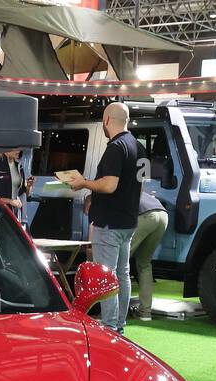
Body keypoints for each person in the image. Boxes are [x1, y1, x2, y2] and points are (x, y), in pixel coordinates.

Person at [58, 102, 140, 332]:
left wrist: (84, 183)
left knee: (106, 276)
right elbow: (140, 186)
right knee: (122, 275)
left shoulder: (116, 147)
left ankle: (111, 327)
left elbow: (110, 184)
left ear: (106, 120)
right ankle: (119, 325)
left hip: (110, 222)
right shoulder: (139, 147)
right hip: (129, 221)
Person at [129, 189, 169, 323]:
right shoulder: (137, 189)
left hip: (144, 216)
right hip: (162, 215)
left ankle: (116, 312)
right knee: (144, 264)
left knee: (119, 264)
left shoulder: (105, 194)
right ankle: (145, 313)